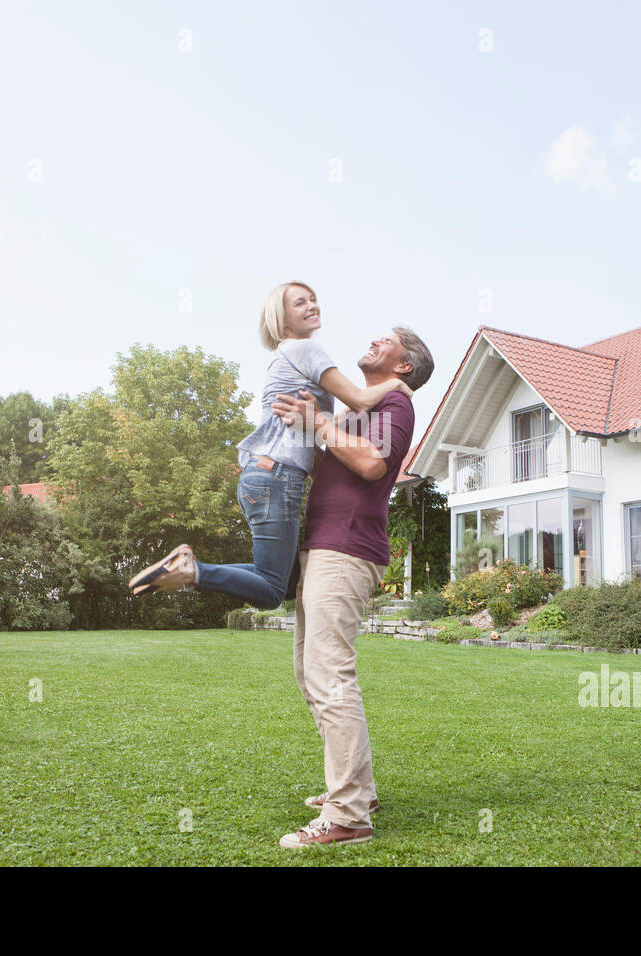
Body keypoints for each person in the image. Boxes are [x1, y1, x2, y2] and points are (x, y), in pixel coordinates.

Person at [127, 282, 411, 604]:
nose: (312, 306)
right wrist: (398, 384)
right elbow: (360, 401)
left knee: (284, 581)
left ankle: (189, 572)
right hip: (278, 476)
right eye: (300, 303)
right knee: (273, 591)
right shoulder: (305, 349)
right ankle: (194, 572)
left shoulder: (283, 357)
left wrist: (333, 422)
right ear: (282, 319)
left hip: (259, 475)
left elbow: (331, 421)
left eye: (313, 300)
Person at [270, 327, 434, 849]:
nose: (372, 342)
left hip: (345, 548)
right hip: (323, 546)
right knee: (310, 672)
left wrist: (317, 420)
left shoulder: (395, 404)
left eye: (386, 341)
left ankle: (348, 817)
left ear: (404, 365)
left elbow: (369, 463)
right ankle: (356, 789)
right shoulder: (359, 410)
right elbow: (334, 458)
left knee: (330, 675)